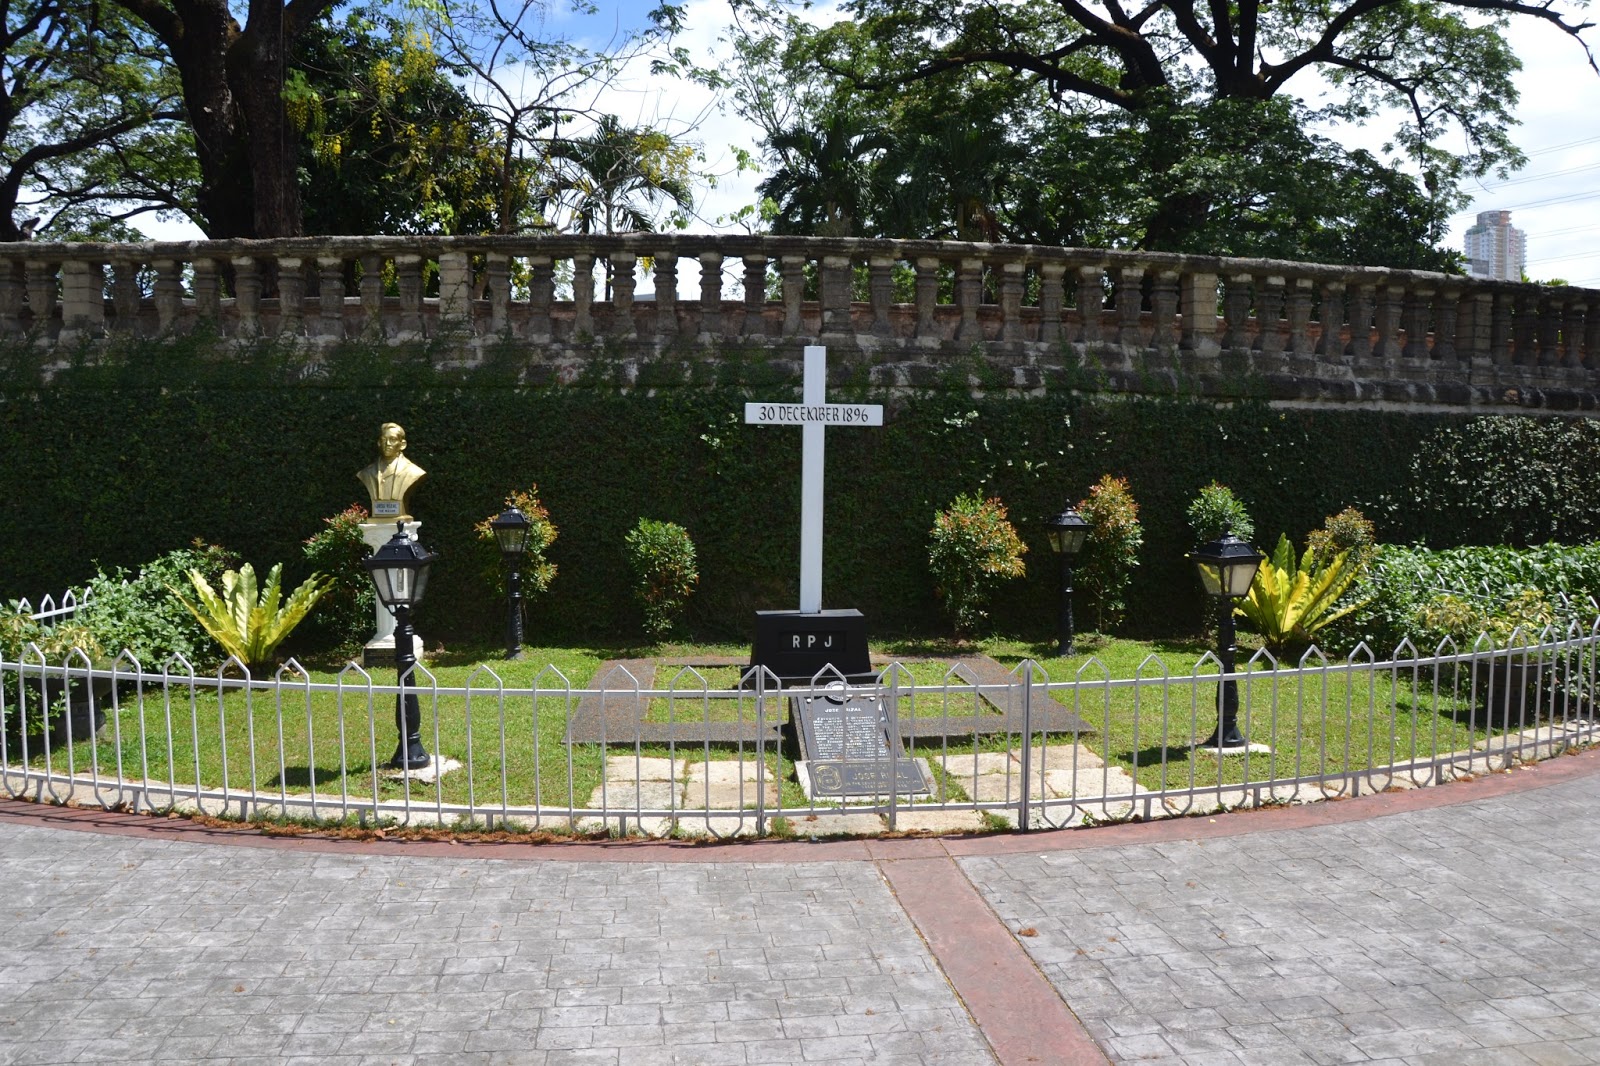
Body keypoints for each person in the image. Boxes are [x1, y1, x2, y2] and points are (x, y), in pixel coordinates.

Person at [357, 422, 426, 519]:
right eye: (384, 440)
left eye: (392, 439)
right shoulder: (367, 473)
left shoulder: (413, 471)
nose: (387, 444)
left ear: (402, 444)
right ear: (379, 443)